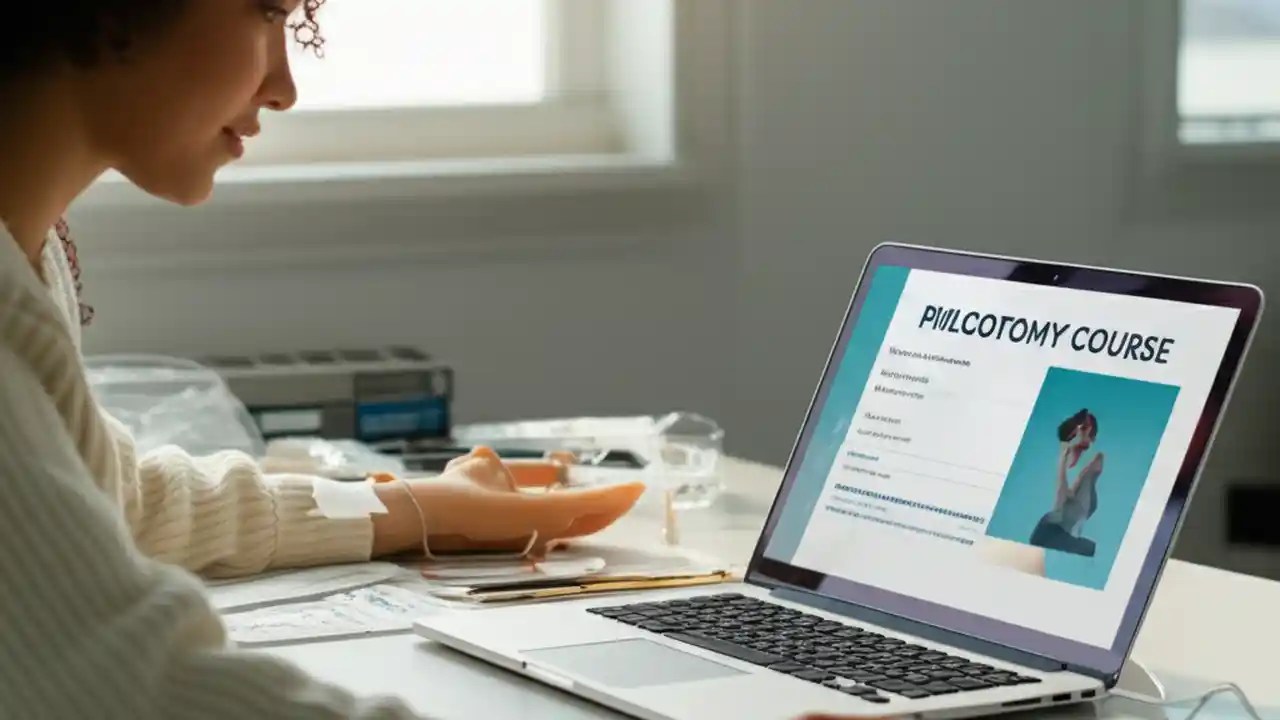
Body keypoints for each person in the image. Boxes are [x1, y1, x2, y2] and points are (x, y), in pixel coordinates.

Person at [0, 1, 652, 717]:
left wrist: (418, 508)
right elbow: (128, 685)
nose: (283, 86)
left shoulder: (30, 258)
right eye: (266, 14)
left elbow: (108, 505)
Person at [1028, 410, 1104, 557]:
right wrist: (1063, 459)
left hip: (1061, 530)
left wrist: (1063, 459)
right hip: (1053, 528)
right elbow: (1061, 500)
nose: (1079, 431)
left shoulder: (1092, 460)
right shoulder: (1068, 463)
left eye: (1084, 428)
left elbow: (1066, 497)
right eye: (1080, 427)